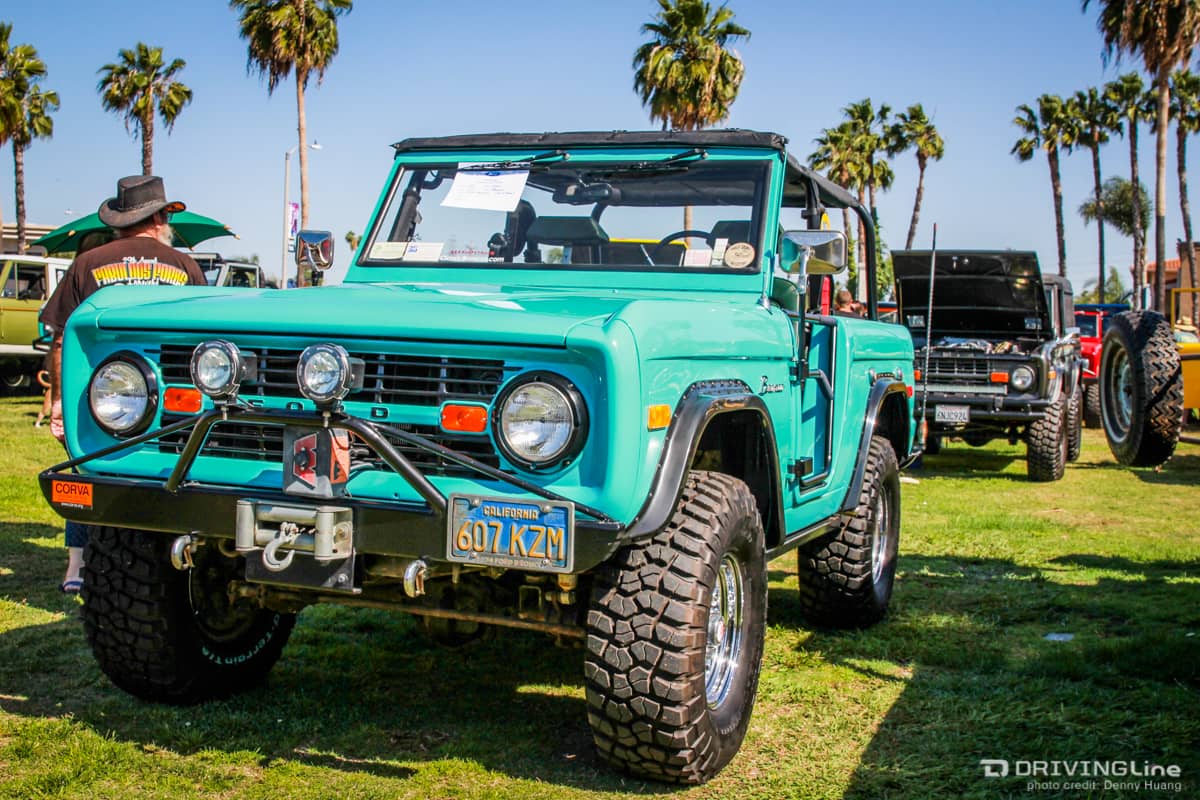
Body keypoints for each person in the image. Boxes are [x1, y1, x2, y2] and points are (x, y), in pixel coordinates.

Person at [40, 175, 206, 593]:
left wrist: (58, 401)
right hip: (173, 403)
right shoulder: (184, 266)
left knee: (90, 471)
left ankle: (77, 567)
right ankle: (180, 562)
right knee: (175, 476)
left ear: (119, 221)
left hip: (101, 398)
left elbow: (60, 339)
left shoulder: (87, 263)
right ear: (161, 218)